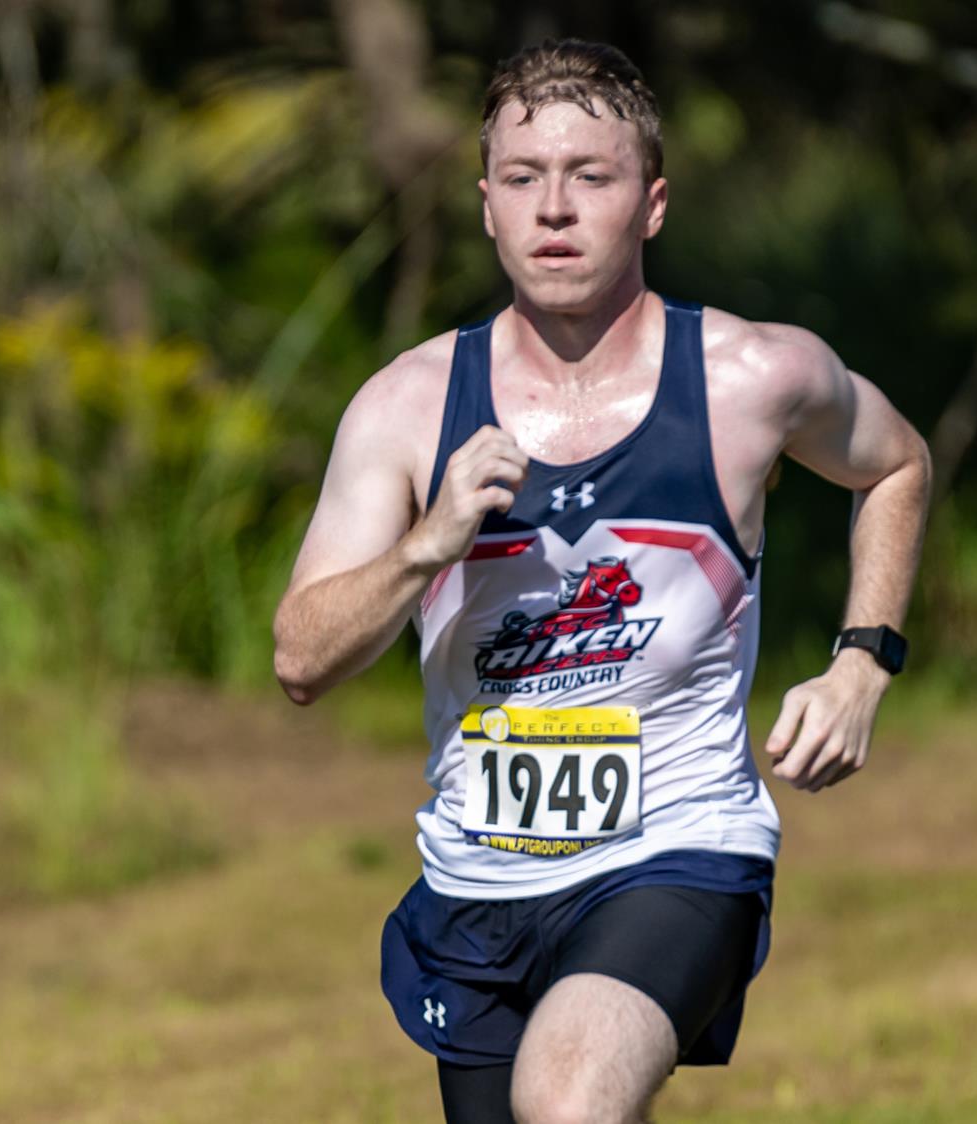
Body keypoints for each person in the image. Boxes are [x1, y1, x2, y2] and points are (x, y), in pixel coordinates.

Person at [271, 38, 930, 1124]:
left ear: (652, 203)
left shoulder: (749, 376)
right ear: (486, 206)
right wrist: (422, 548)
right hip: (477, 883)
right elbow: (300, 656)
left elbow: (897, 462)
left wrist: (861, 663)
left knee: (568, 1103)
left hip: (678, 845)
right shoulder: (405, 406)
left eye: (591, 176)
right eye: (524, 179)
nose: (555, 210)